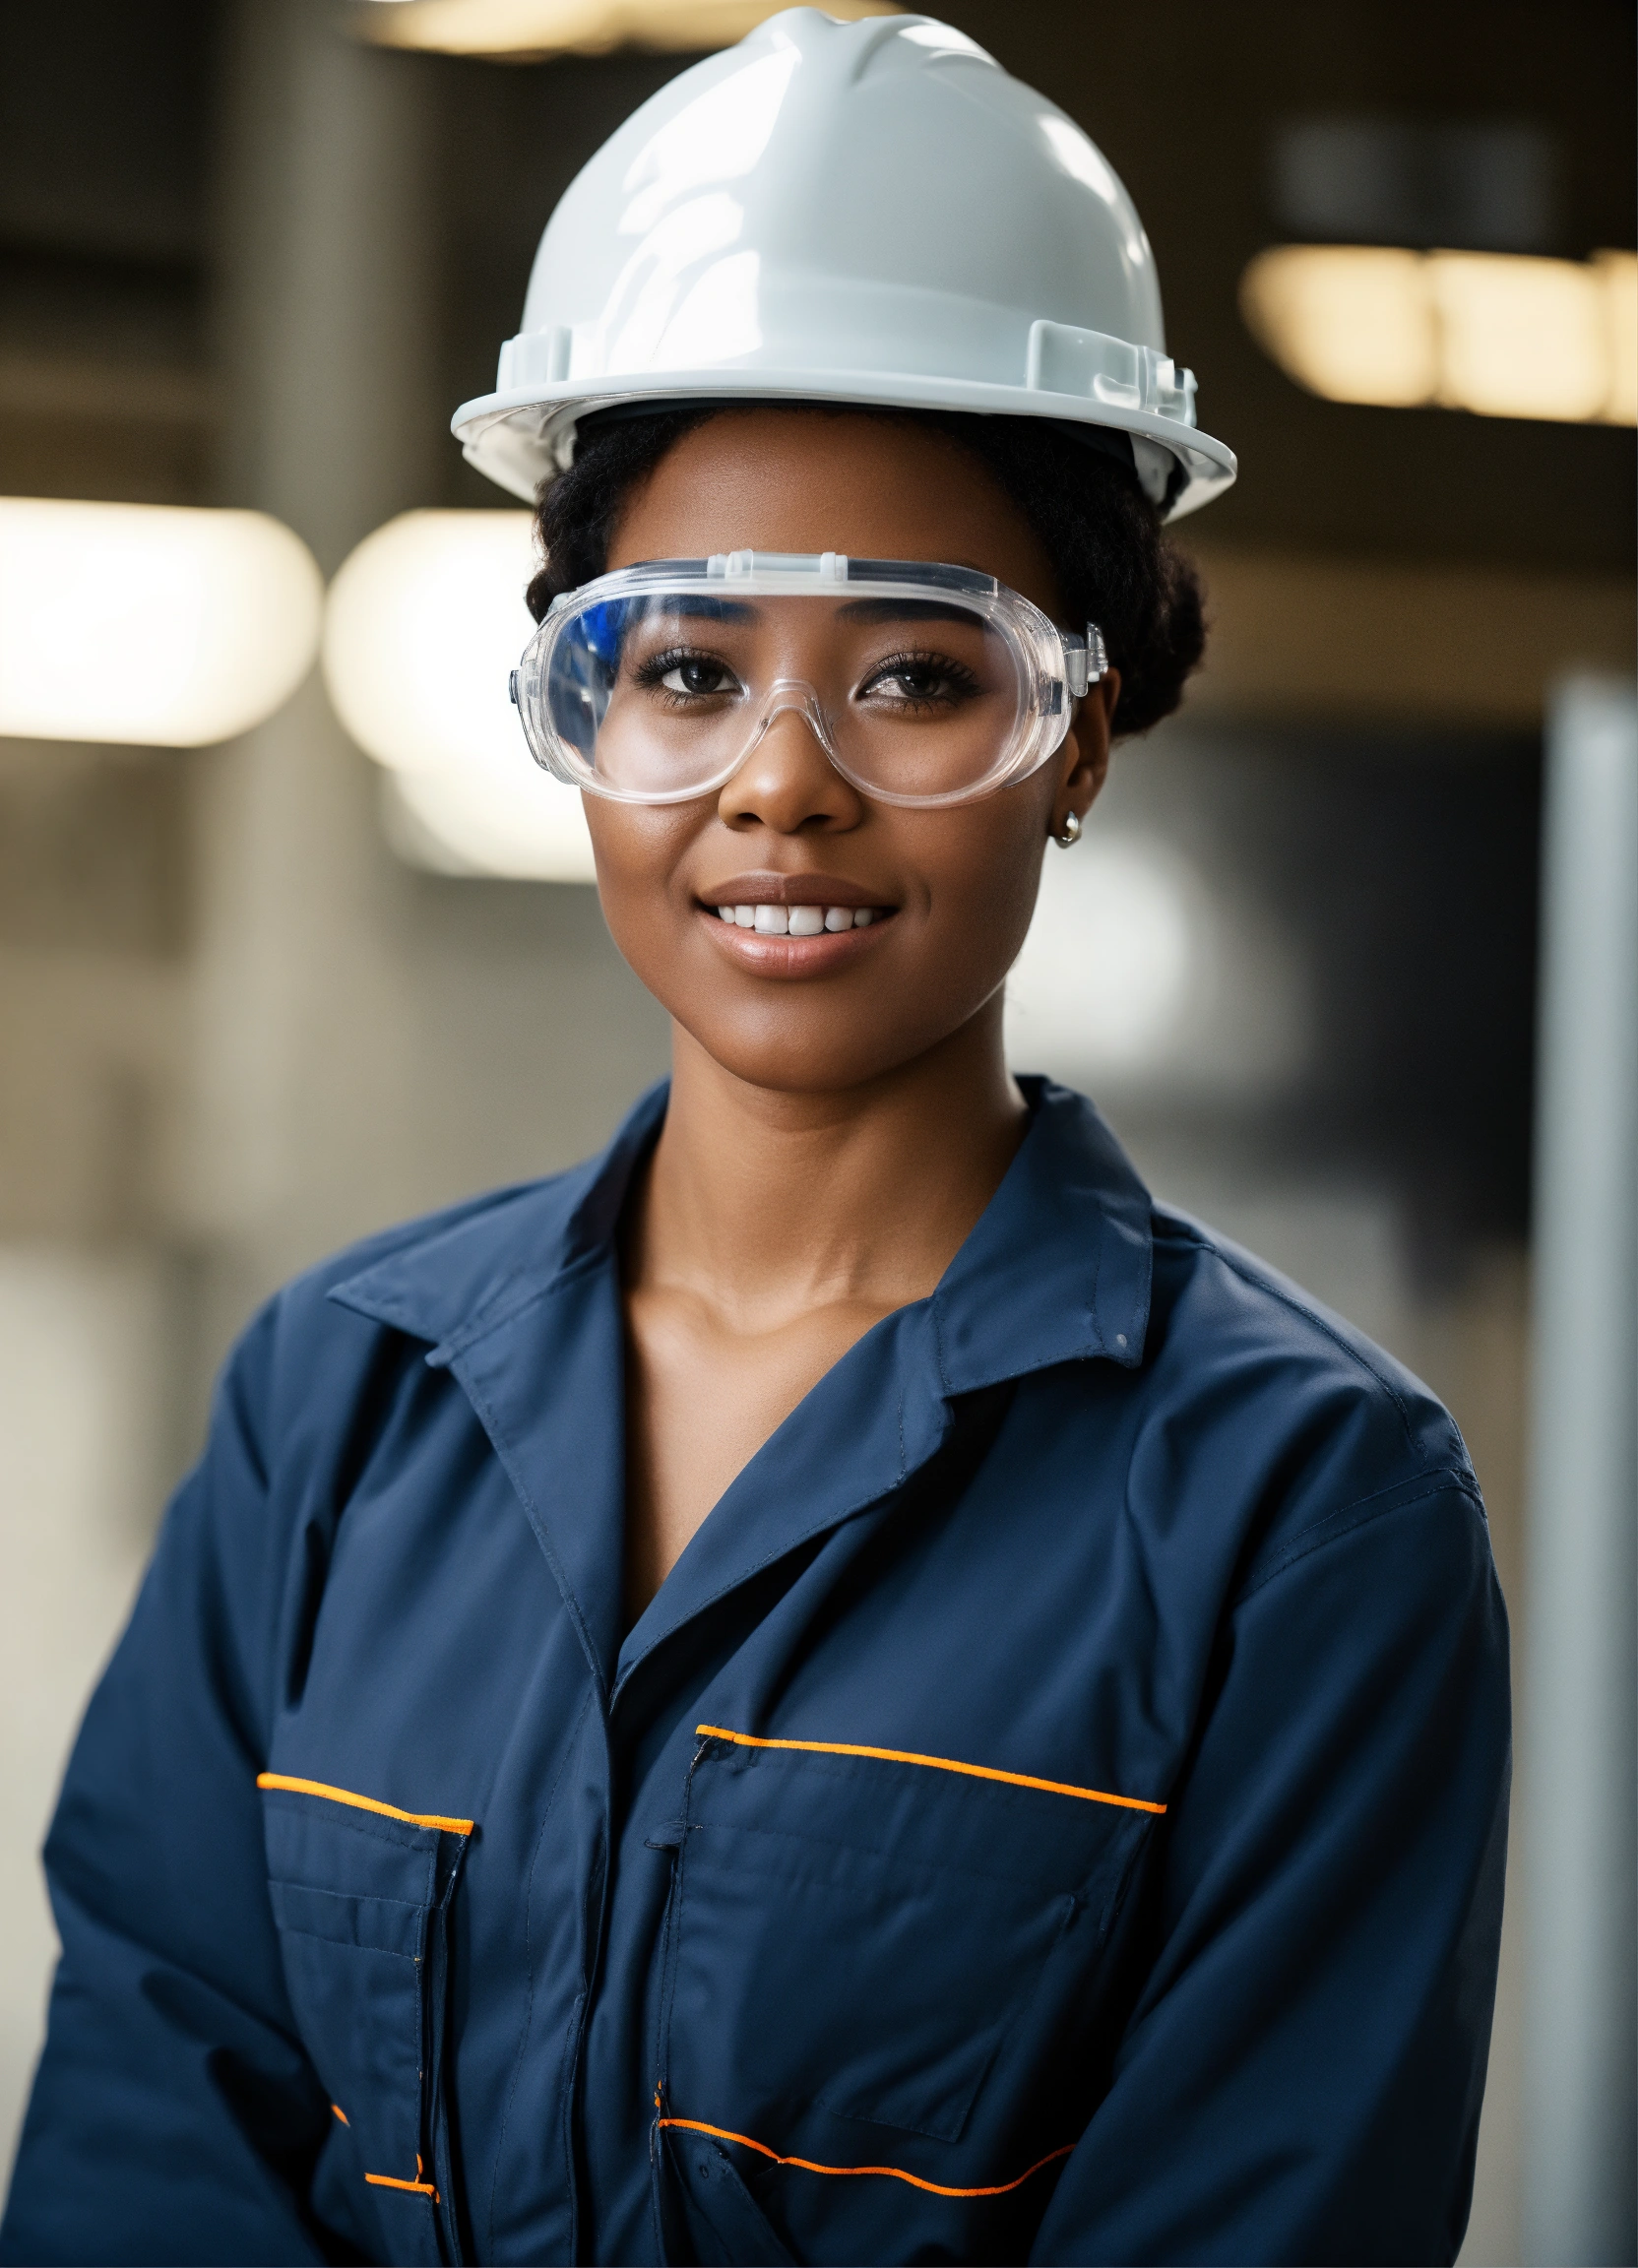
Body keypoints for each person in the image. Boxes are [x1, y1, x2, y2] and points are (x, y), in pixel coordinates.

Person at [1, 13, 1508, 2266]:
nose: (778, 783)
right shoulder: (337, 1404)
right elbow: (149, 2153)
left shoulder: (1296, 1524)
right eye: (683, 668)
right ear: (578, 710)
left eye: (915, 672)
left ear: (1077, 736)